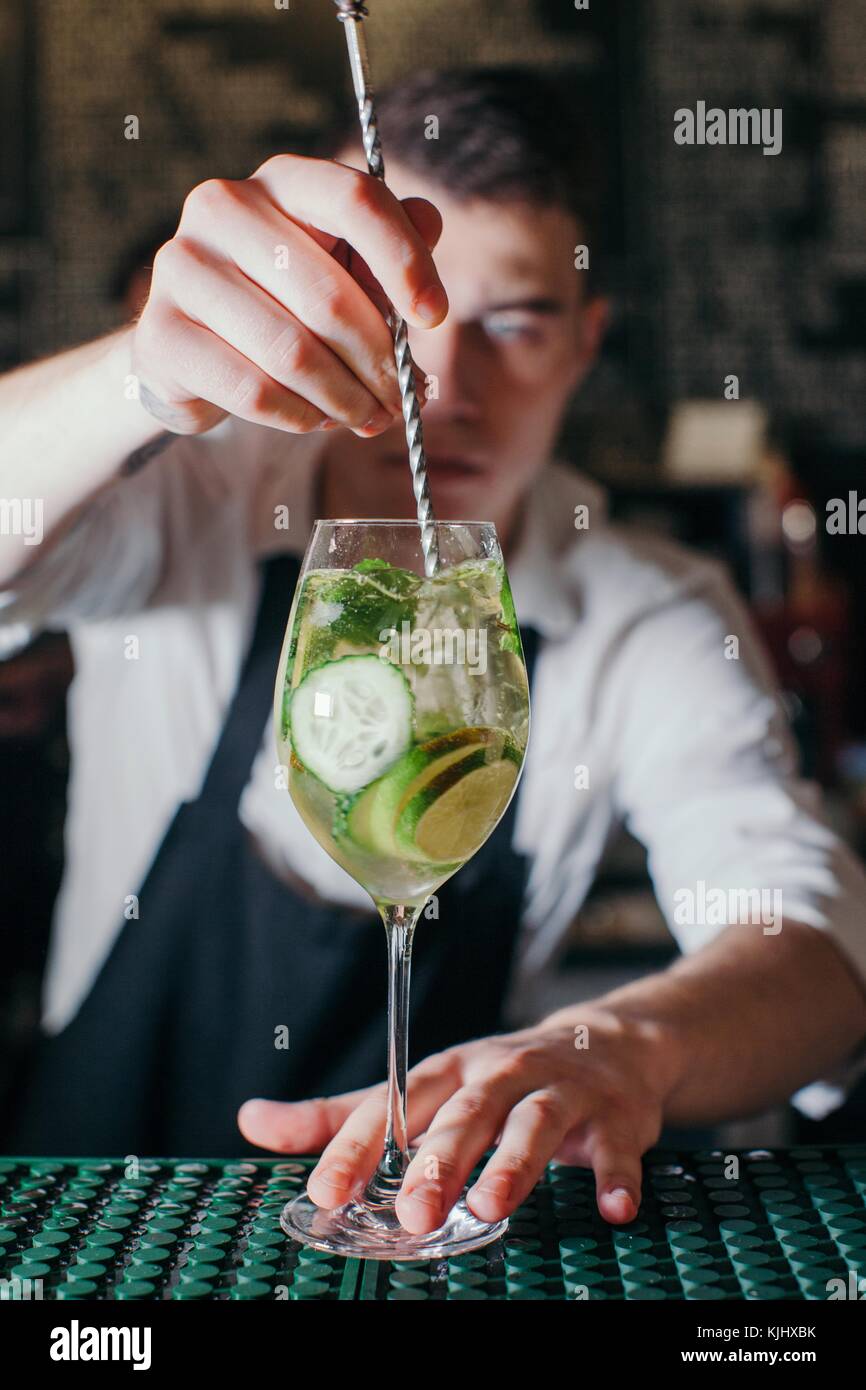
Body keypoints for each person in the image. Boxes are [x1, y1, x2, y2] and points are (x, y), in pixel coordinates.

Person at [1, 68, 865, 1239]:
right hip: (102, 1198)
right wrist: (141, 372)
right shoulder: (184, 503)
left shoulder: (644, 609)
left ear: (583, 343)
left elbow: (809, 939)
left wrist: (627, 1043)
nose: (443, 388)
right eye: (398, 322)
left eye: (511, 324)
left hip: (428, 1218)